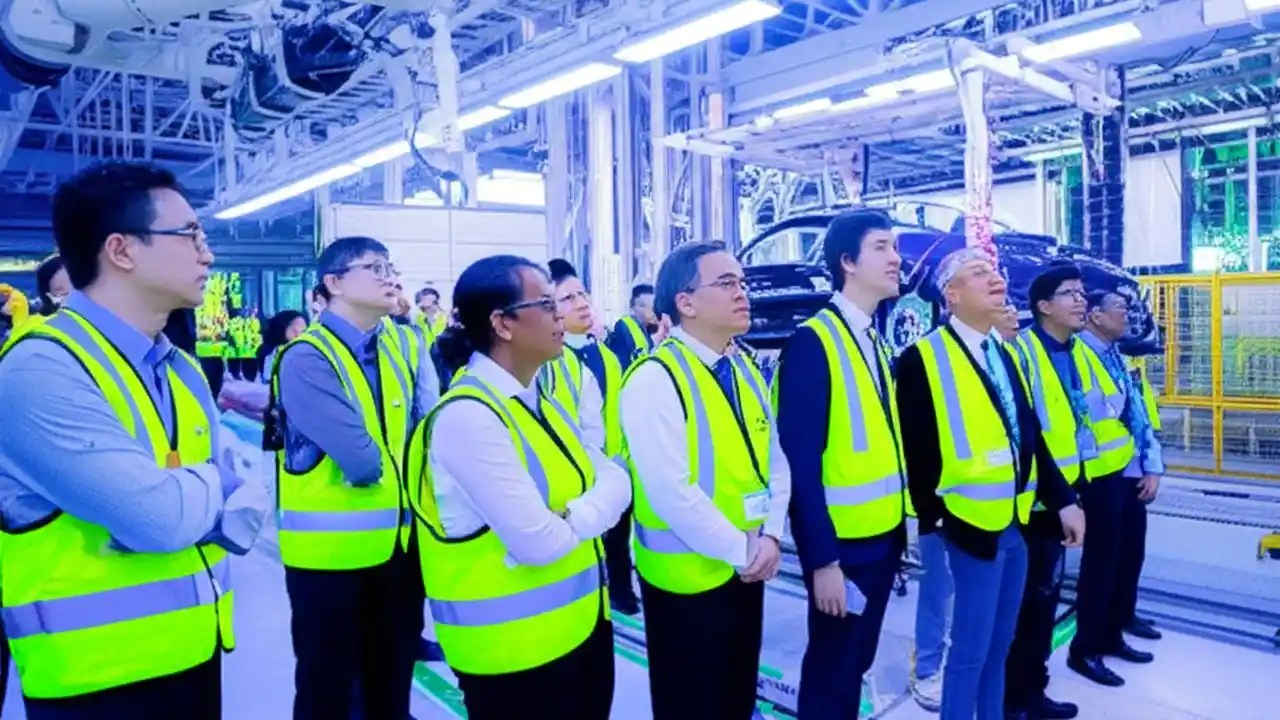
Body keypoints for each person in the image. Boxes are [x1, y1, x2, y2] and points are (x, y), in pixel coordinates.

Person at [0, 161, 269, 719]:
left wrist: (181, 497)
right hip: (96, 683)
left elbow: (241, 504)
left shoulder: (182, 371)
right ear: (121, 250)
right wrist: (205, 490)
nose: (207, 254)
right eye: (190, 234)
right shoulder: (39, 369)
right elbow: (159, 518)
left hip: (196, 656)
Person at [407, 254, 630, 719]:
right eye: (546, 304)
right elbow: (537, 542)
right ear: (502, 324)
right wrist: (591, 512)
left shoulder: (539, 403)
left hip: (580, 632)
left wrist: (570, 518)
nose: (560, 314)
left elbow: (617, 479)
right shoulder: (468, 417)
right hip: (513, 657)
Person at [895, 247, 1084, 720]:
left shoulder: (1001, 353)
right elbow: (917, 451)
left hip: (1013, 523)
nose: (995, 278)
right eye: (979, 273)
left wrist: (1063, 499)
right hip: (967, 525)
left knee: (1000, 646)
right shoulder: (922, 359)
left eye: (995, 270)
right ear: (952, 295)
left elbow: (1029, 434)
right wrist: (936, 522)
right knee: (971, 651)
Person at [621, 240, 792, 719]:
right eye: (726, 283)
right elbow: (671, 492)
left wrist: (771, 536)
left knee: (736, 700)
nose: (742, 293)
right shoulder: (655, 378)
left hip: (747, 568)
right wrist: (745, 551)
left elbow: (774, 461)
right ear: (686, 302)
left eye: (742, 283)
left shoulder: (743, 369)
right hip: (688, 585)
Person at [269, 236, 438, 720]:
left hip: (400, 549)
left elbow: (429, 430)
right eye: (375, 268)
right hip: (330, 560)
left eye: (390, 267)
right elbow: (362, 462)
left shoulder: (402, 345)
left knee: (391, 688)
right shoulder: (306, 357)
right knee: (330, 691)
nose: (390, 278)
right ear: (335, 283)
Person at [775, 211, 910, 718]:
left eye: (894, 247)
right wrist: (822, 562)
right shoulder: (813, 343)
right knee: (833, 670)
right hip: (844, 549)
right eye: (881, 247)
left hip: (881, 537)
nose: (896, 258)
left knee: (855, 664)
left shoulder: (871, 337)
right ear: (847, 262)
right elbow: (800, 465)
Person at [1004, 263, 1091, 720]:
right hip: (1032, 504)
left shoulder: (1075, 352)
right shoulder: (1023, 352)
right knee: (1023, 604)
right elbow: (1027, 432)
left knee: (1045, 601)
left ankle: (1032, 690)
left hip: (1063, 495)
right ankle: (1011, 698)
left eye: (1082, 293)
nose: (1081, 301)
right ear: (1042, 306)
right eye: (1070, 293)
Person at [1067, 287, 1164, 688]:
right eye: (1121, 308)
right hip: (1101, 475)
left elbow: (1140, 411)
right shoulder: (1078, 356)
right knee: (1101, 564)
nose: (1128, 316)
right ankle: (1086, 648)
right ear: (1096, 315)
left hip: (1129, 469)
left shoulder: (1118, 357)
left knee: (1129, 554)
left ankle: (1116, 627)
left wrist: (1151, 464)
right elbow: (1088, 419)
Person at [543, 259, 638, 613]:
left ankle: (621, 592)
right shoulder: (550, 361)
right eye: (568, 298)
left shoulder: (606, 355)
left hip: (613, 465)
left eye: (582, 294)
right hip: (575, 477)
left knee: (618, 537)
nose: (582, 303)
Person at [607, 282, 657, 367]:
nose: (652, 311)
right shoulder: (625, 326)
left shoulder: (653, 328)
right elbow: (639, 356)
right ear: (633, 308)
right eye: (644, 306)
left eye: (653, 306)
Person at [257, 310, 307, 384]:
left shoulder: (305, 351)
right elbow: (268, 378)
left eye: (304, 331)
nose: (299, 334)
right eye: (301, 331)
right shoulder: (270, 352)